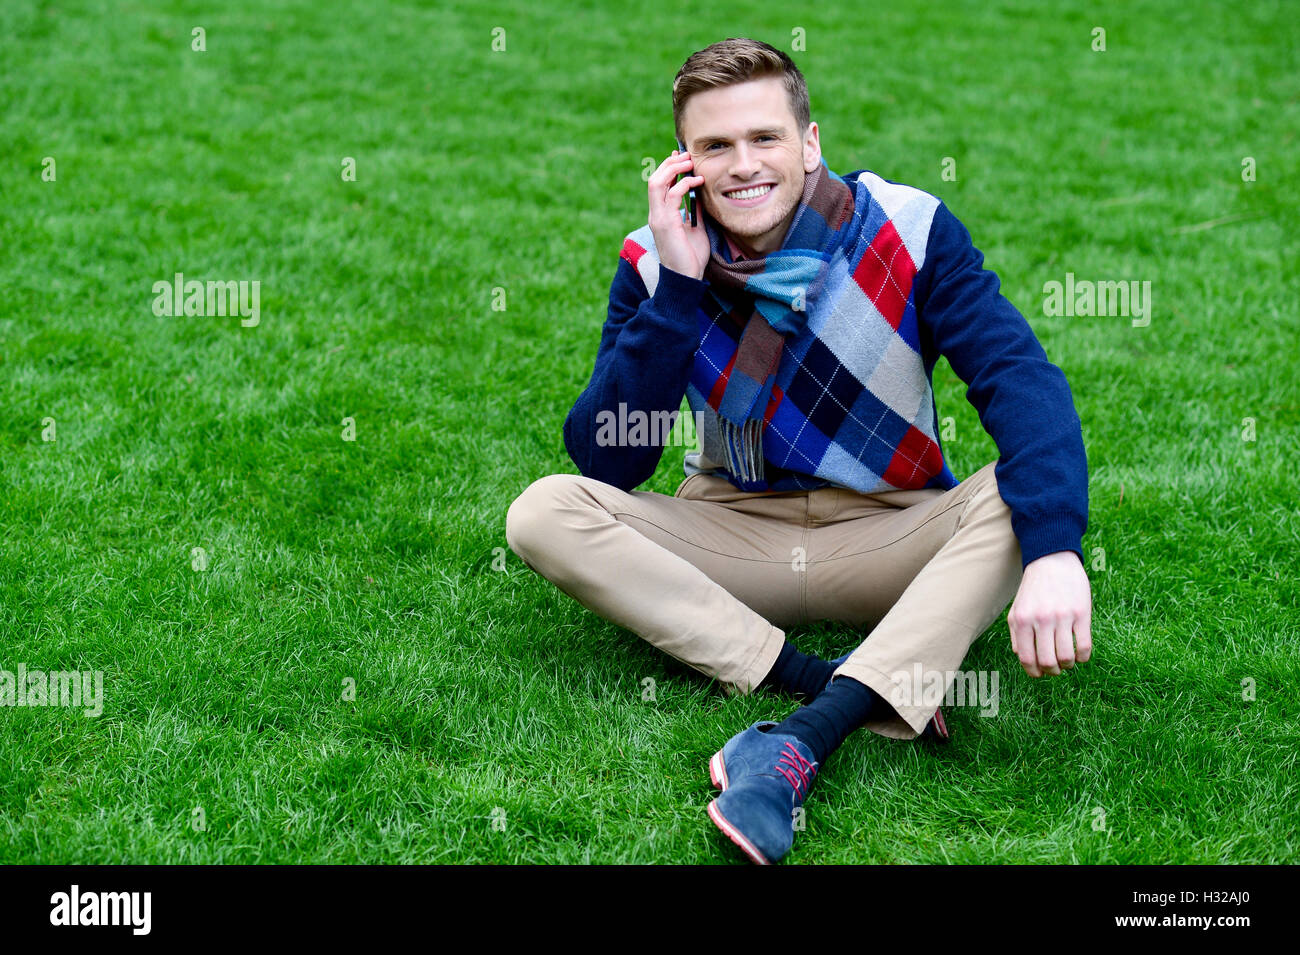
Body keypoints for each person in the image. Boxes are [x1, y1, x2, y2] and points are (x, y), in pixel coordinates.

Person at [505, 37, 1092, 864]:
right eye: (715, 146)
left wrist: (1058, 552)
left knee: (1021, 496)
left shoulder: (911, 228)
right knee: (544, 510)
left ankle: (802, 735)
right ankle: (820, 681)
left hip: (891, 534)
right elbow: (607, 459)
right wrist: (677, 287)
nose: (743, 165)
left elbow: (1020, 381)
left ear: (810, 144)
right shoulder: (654, 260)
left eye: (765, 138)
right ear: (684, 163)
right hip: (732, 532)